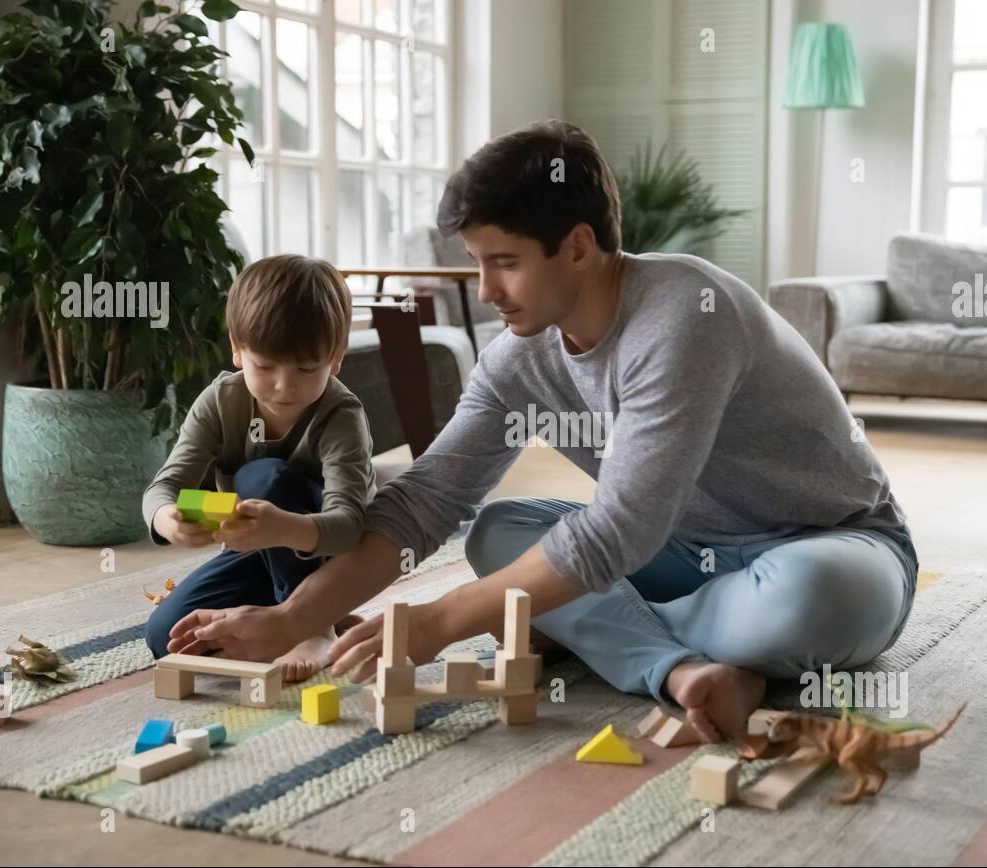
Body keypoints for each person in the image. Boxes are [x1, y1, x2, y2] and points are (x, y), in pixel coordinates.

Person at [167, 120, 919, 741]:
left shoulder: (685, 314)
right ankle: (687, 670)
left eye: (506, 263)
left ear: (580, 247)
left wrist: (440, 620)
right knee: (500, 535)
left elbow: (616, 531)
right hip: (681, 556)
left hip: (831, 546)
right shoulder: (518, 358)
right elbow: (422, 504)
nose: (486, 291)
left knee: (804, 601)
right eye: (476, 263)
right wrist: (294, 615)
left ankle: (620, 632)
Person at [142, 254, 373, 681]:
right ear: (237, 348)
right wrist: (170, 520)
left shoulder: (341, 415)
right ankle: (309, 621)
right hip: (253, 549)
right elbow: (165, 487)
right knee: (168, 639)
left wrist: (283, 527)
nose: (284, 386)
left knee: (263, 476)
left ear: (336, 358)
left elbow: (350, 525)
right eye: (265, 366)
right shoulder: (220, 401)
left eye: (306, 369)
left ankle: (317, 624)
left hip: (324, 557)